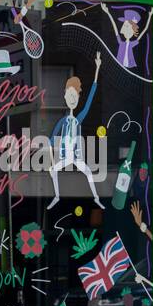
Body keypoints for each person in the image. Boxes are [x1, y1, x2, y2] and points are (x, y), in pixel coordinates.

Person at [48, 52, 103, 210]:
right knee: (54, 171)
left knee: (89, 173)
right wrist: (52, 163)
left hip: (77, 157)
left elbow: (90, 99)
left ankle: (97, 198)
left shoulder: (78, 119)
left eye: (75, 95)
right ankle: (57, 196)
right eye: (69, 95)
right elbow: (51, 140)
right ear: (65, 95)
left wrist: (97, 68)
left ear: (78, 97)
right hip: (66, 158)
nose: (72, 98)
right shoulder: (63, 121)